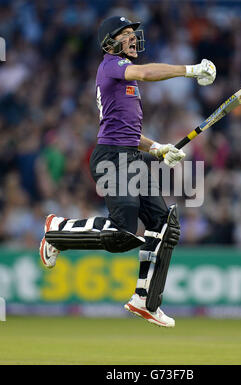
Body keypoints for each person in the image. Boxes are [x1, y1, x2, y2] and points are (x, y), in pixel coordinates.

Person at [39, 16, 216, 327]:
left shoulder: (127, 79)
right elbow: (147, 73)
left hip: (130, 156)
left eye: (135, 33)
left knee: (164, 226)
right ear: (110, 42)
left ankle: (146, 300)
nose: (134, 38)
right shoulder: (112, 65)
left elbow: (128, 135)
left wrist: (159, 148)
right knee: (122, 230)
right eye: (126, 34)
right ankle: (57, 230)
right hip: (110, 158)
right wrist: (191, 70)